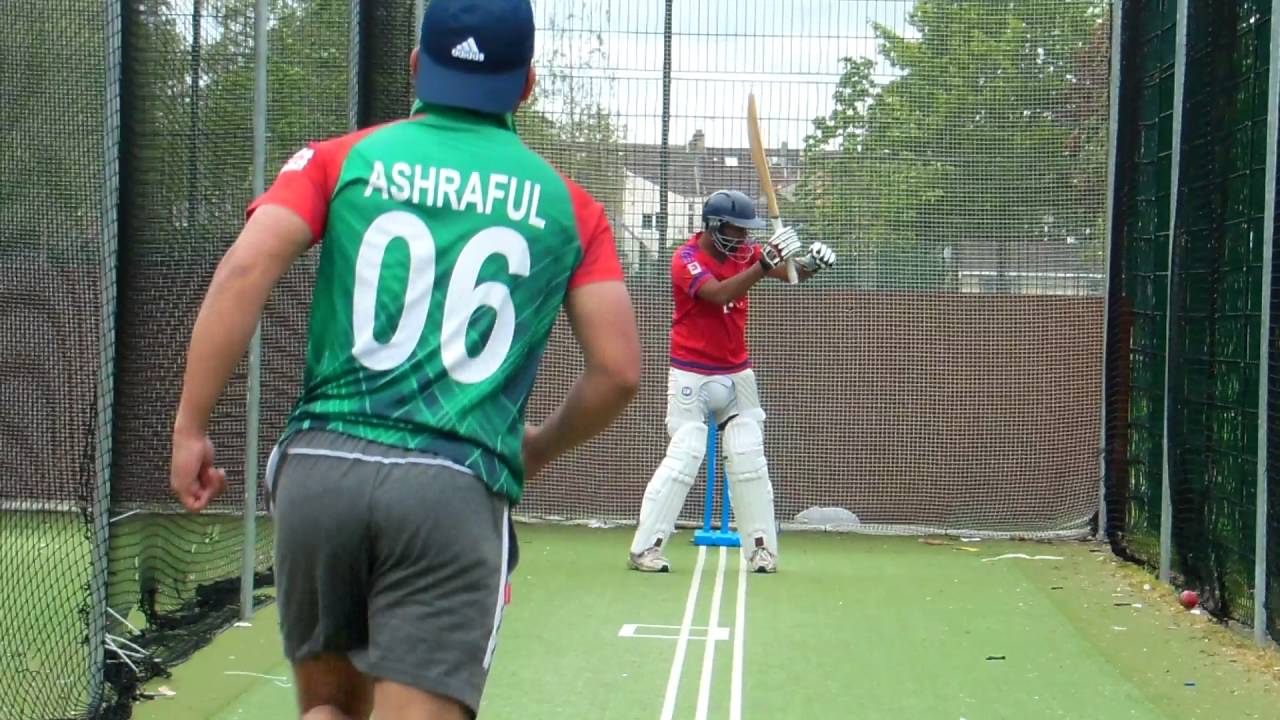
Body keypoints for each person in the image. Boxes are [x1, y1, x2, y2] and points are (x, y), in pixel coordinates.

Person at [168, 0, 641, 717]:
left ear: (419, 66)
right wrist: (536, 449)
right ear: (528, 85)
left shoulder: (339, 159)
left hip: (319, 475)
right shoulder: (571, 208)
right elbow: (618, 371)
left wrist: (190, 425)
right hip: (450, 489)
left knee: (327, 708)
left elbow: (245, 270)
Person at [627, 189, 836, 574]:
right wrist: (763, 264)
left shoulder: (745, 255)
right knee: (686, 453)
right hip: (691, 372)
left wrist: (811, 263)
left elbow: (793, 275)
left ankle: (761, 550)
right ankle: (646, 549)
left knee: (748, 456)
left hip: (736, 372)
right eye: (735, 230)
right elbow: (718, 293)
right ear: (713, 225)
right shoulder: (685, 259)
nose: (742, 238)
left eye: (746, 231)